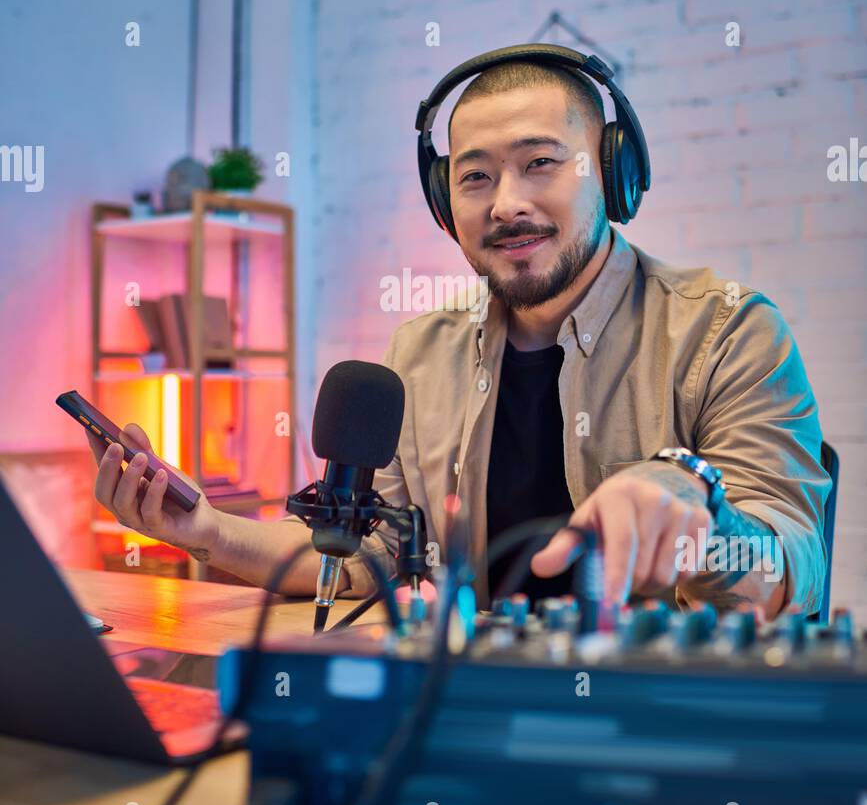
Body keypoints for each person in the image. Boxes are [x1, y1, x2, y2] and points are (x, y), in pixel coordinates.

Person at [88, 56, 830, 618]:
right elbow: (365, 557)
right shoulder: (418, 354)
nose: (505, 204)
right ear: (446, 201)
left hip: (645, 714)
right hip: (464, 698)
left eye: (539, 164)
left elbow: (793, 570)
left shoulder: (727, 330)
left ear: (612, 174)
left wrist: (698, 505)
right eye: (474, 178)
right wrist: (207, 529)